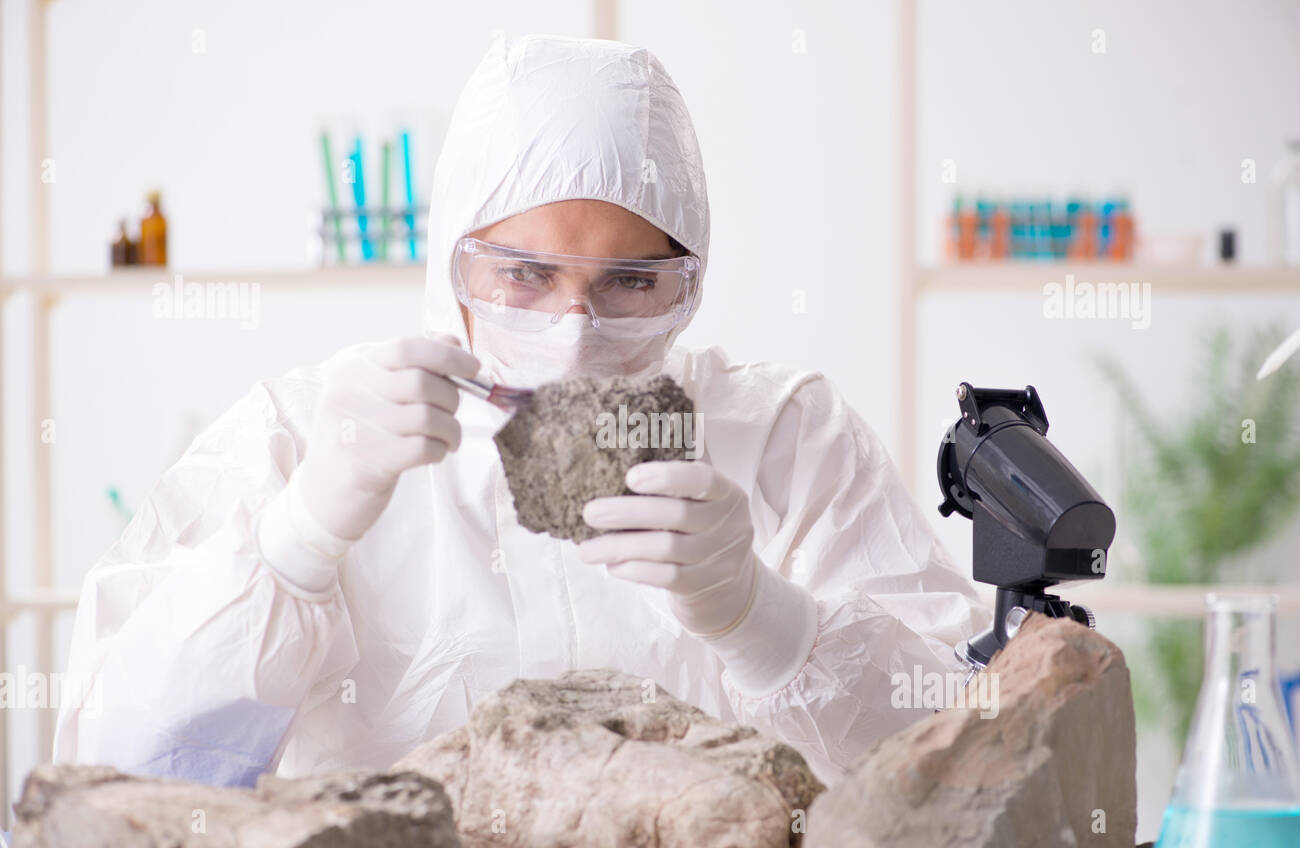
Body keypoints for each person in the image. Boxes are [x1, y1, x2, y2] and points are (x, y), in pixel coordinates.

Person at [53, 33, 991, 788]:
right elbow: (110, 777)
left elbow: (975, 776)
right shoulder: (303, 434)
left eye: (630, 282)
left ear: (690, 280)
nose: (573, 330)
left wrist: (765, 620)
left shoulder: (786, 437)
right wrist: (296, 539)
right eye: (523, 274)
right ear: (450, 264)